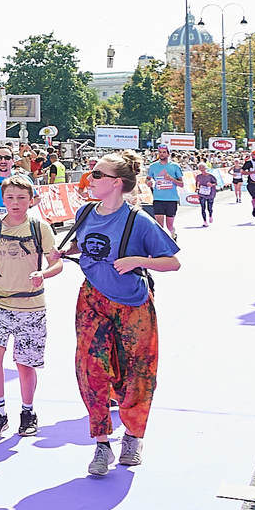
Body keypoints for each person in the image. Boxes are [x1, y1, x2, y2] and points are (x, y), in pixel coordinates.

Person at [61, 150, 181, 476]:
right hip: (92, 299)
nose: (90, 178)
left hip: (133, 304)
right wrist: (61, 250)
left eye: (97, 174)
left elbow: (172, 261)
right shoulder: (85, 212)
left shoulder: (139, 221)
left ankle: (133, 436)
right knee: (89, 368)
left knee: (137, 373)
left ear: (116, 183)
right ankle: (101, 444)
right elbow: (81, 246)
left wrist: (137, 261)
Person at [0, 174, 63, 439]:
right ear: (2, 200)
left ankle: (28, 411)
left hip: (31, 306)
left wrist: (44, 274)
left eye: (21, 198)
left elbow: (57, 262)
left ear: (31, 200)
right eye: (9, 198)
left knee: (24, 363)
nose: (15, 203)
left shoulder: (40, 228)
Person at [144, 144, 185, 237]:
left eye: (164, 152)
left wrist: (171, 179)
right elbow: (147, 179)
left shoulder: (175, 166)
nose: (162, 154)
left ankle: (173, 233)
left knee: (169, 225)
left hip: (171, 199)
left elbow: (182, 184)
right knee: (159, 225)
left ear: (168, 154)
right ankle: (162, 243)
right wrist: (148, 182)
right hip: (158, 198)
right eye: (160, 152)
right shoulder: (153, 166)